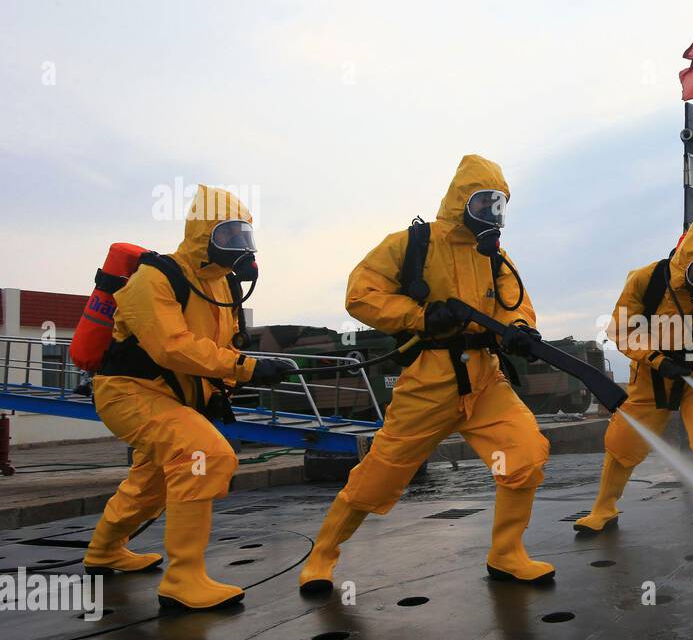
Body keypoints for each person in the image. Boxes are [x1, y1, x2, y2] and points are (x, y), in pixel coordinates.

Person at [299, 154, 553, 594]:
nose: (491, 215)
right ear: (460, 202)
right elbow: (360, 294)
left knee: (525, 454)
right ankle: (321, 558)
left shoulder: (495, 256)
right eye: (482, 204)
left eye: (498, 206)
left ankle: (506, 554)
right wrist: (419, 316)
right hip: (429, 382)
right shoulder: (411, 243)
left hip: (486, 379)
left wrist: (520, 330)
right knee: (378, 476)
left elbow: (516, 304)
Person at [83, 185, 286, 609]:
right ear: (201, 233)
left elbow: (220, 346)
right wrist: (247, 368)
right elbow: (170, 347)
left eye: (243, 236)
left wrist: (247, 373)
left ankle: (104, 551)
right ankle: (183, 580)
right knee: (203, 454)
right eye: (228, 236)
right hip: (128, 393)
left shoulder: (225, 287)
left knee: (150, 483)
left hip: (172, 399)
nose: (238, 246)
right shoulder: (154, 278)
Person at [575, 218, 693, 549]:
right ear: (684, 260)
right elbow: (620, 329)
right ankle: (604, 508)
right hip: (652, 375)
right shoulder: (647, 281)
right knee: (623, 441)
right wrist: (658, 359)